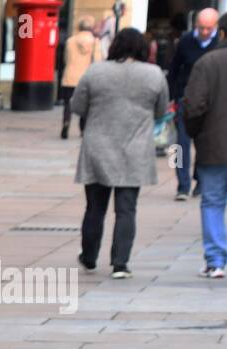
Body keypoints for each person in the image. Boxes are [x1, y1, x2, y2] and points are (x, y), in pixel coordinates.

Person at [70, 27, 170, 279]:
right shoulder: (154, 74)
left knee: (94, 208)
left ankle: (89, 257)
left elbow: (77, 105)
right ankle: (120, 263)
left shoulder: (96, 71)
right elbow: (161, 111)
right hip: (134, 149)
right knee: (127, 209)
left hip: (98, 148)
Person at [182, 39, 227, 277]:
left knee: (212, 201)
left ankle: (216, 261)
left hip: (214, 145)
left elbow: (194, 105)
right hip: (214, 143)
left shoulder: (207, 62)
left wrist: (195, 132)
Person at [169, 8, 222, 200]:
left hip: (211, 103)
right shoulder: (186, 41)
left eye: (209, 28)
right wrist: (173, 97)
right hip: (186, 100)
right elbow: (174, 69)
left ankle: (200, 181)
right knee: (179, 145)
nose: (205, 32)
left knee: (205, 144)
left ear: (216, 27)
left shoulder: (220, 44)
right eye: (201, 28)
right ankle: (182, 185)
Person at [61, 17, 100, 139]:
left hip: (70, 76)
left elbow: (66, 59)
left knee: (67, 104)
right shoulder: (94, 42)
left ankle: (66, 123)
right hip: (86, 78)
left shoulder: (70, 41)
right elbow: (98, 61)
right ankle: (83, 129)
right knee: (87, 104)